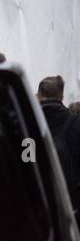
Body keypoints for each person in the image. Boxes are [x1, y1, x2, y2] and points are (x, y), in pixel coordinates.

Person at [38, 75, 80, 213]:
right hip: (70, 204)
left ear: (39, 95)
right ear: (62, 96)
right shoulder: (76, 123)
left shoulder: (27, 123)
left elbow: (26, 160)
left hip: (39, 203)